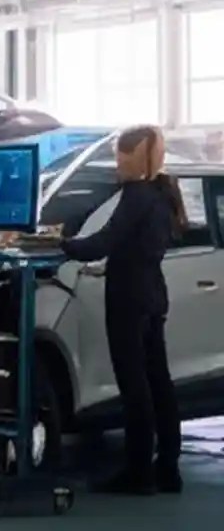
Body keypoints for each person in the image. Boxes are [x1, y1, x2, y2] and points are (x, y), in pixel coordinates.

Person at [60, 125, 185, 495]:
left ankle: (138, 472)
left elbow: (106, 240)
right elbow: (135, 243)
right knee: (159, 382)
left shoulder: (136, 194)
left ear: (136, 159)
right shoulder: (163, 192)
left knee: (134, 386)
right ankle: (168, 468)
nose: (116, 166)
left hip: (128, 298)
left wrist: (62, 245)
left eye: (120, 159)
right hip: (152, 293)